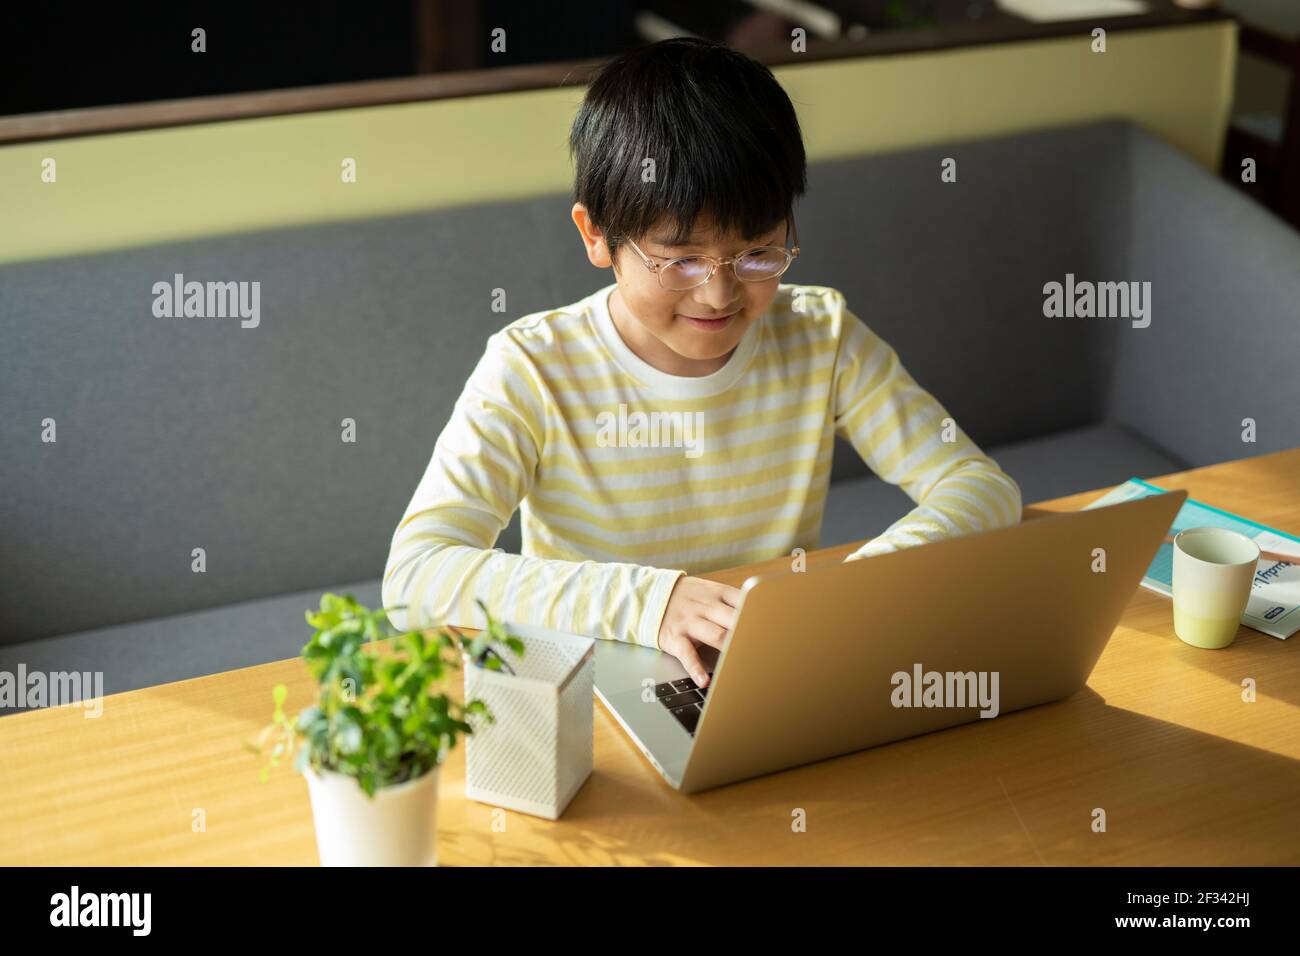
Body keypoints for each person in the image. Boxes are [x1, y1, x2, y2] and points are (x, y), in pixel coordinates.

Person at [383, 38, 1021, 686]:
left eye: (758, 253)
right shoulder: (533, 368)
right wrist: (651, 602)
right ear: (596, 235)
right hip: (593, 683)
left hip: (771, 668)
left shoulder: (821, 338)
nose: (719, 293)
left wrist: (852, 593)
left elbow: (979, 488)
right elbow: (418, 574)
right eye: (680, 260)